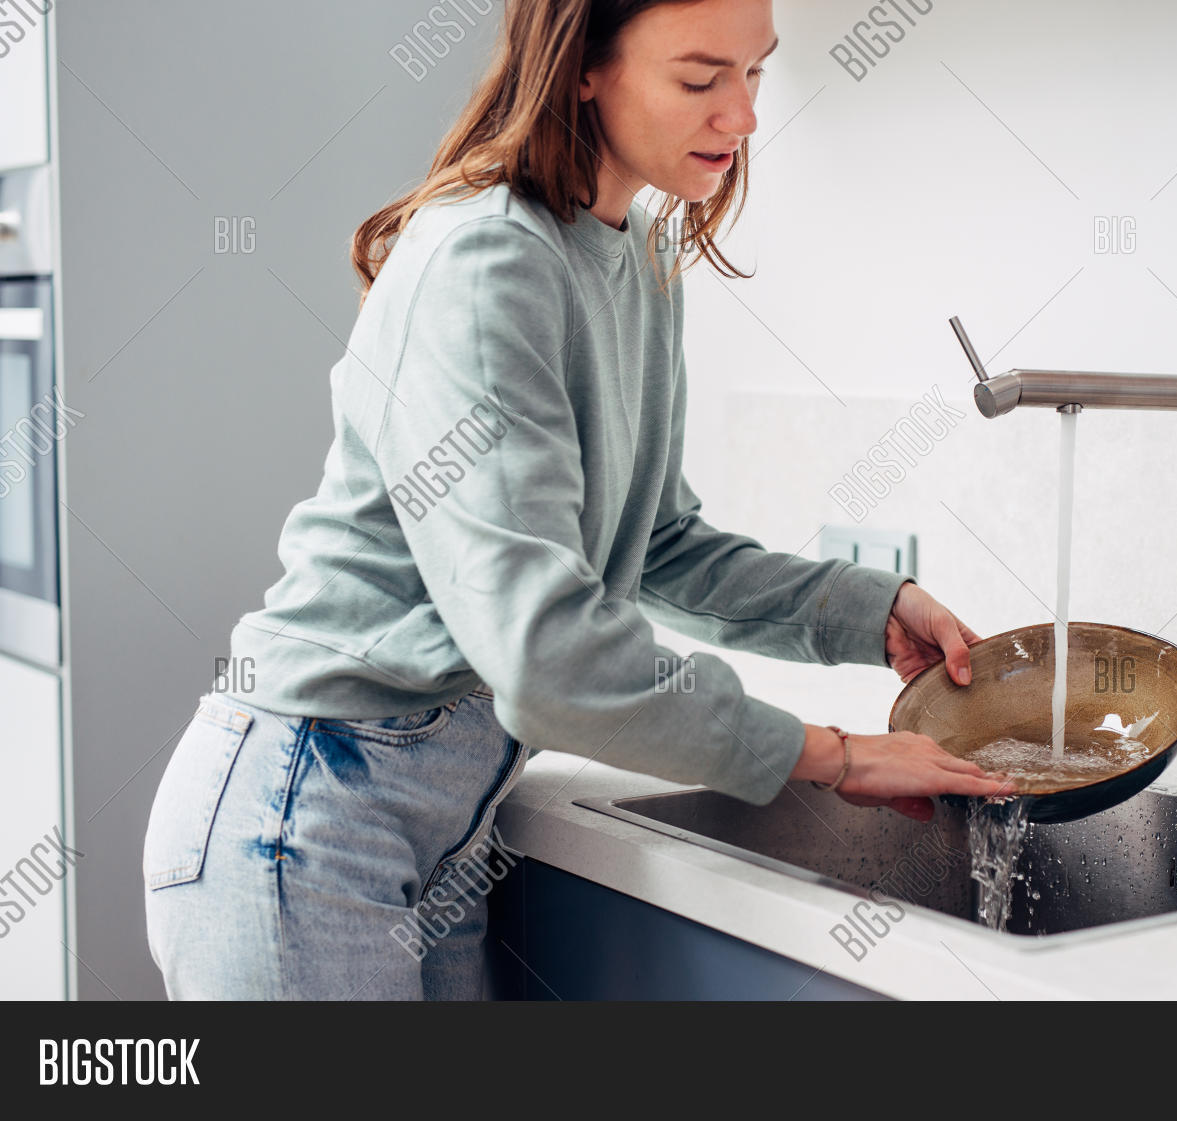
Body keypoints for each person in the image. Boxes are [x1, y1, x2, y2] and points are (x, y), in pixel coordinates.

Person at [142, 0, 1015, 1001]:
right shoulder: (489, 260)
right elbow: (547, 652)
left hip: (439, 823)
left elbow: (657, 542)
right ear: (584, 67)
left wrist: (868, 610)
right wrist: (837, 755)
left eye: (756, 73)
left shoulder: (639, 257)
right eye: (699, 80)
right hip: (305, 820)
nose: (743, 115)